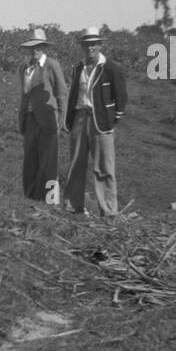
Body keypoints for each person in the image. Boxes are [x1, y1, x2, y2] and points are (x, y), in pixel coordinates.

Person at [63, 26, 128, 216]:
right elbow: (74, 94)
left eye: (93, 44)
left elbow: (121, 96)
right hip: (80, 118)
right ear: (82, 46)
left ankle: (108, 212)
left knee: (104, 168)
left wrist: (113, 119)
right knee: (76, 164)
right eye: (86, 44)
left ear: (100, 45)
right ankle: (73, 207)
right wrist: (70, 120)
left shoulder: (110, 68)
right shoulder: (78, 68)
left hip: (101, 121)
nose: (90, 48)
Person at [17, 27, 69, 201]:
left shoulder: (51, 65)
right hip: (30, 119)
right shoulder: (24, 68)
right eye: (31, 47)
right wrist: (22, 118)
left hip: (48, 119)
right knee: (30, 162)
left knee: (49, 163)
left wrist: (61, 119)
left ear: (44, 47)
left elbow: (62, 92)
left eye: (38, 46)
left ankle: (50, 200)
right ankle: (31, 198)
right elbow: (24, 95)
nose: (34, 50)